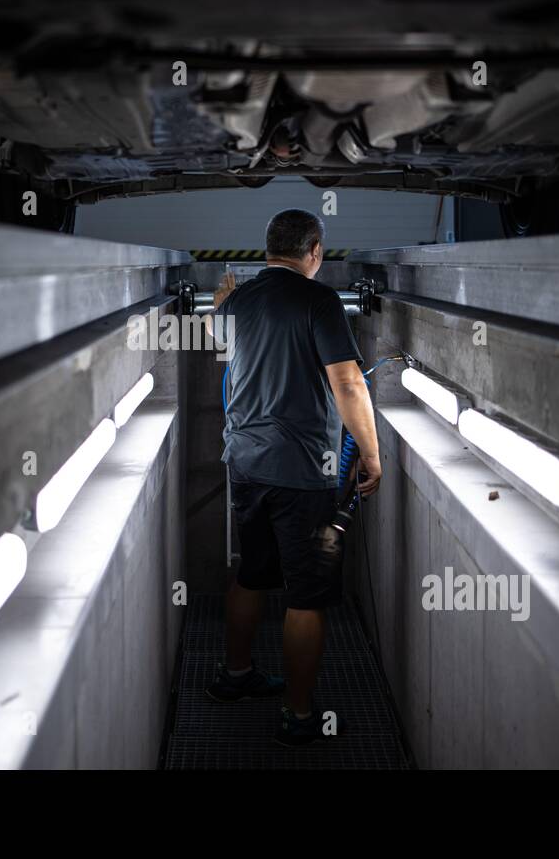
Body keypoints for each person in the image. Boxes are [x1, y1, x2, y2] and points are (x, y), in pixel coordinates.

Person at [203, 208, 381, 747]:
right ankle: (299, 715)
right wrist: (371, 456)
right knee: (307, 596)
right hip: (305, 471)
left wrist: (220, 309)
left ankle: (235, 676)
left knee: (252, 573)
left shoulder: (239, 301)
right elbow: (348, 383)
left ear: (267, 249)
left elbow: (224, 355)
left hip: (246, 463)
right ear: (315, 252)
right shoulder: (320, 300)